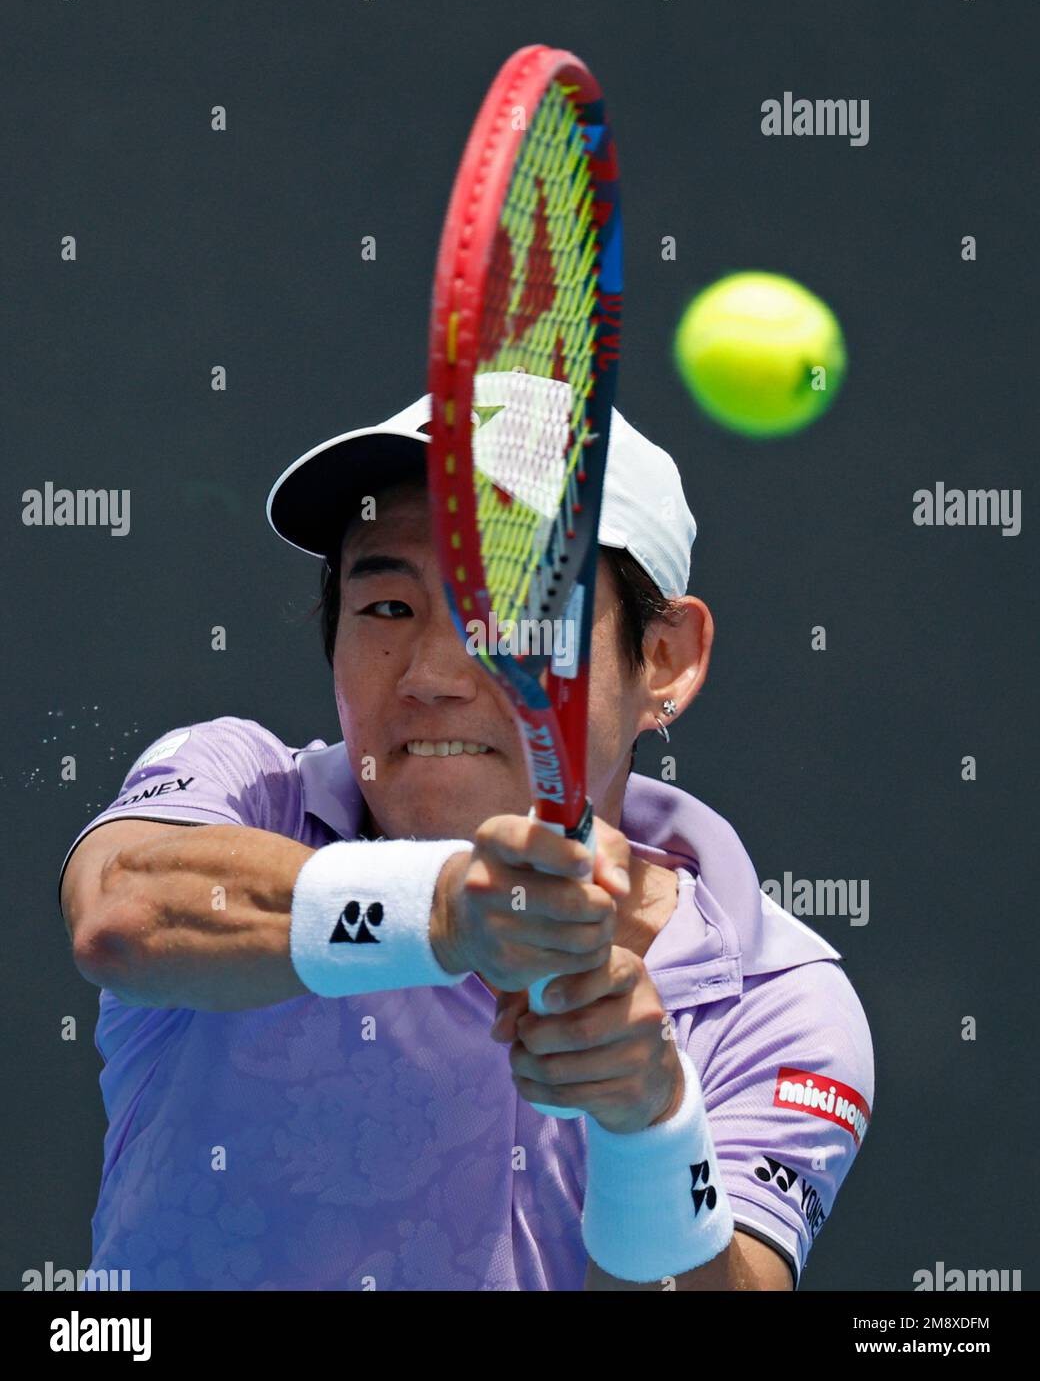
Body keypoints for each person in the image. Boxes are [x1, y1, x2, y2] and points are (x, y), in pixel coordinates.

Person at [59, 387, 874, 1291]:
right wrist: (450, 908)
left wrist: (650, 1127)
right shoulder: (241, 790)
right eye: (388, 609)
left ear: (665, 659)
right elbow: (123, 911)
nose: (433, 674)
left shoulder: (775, 1001)